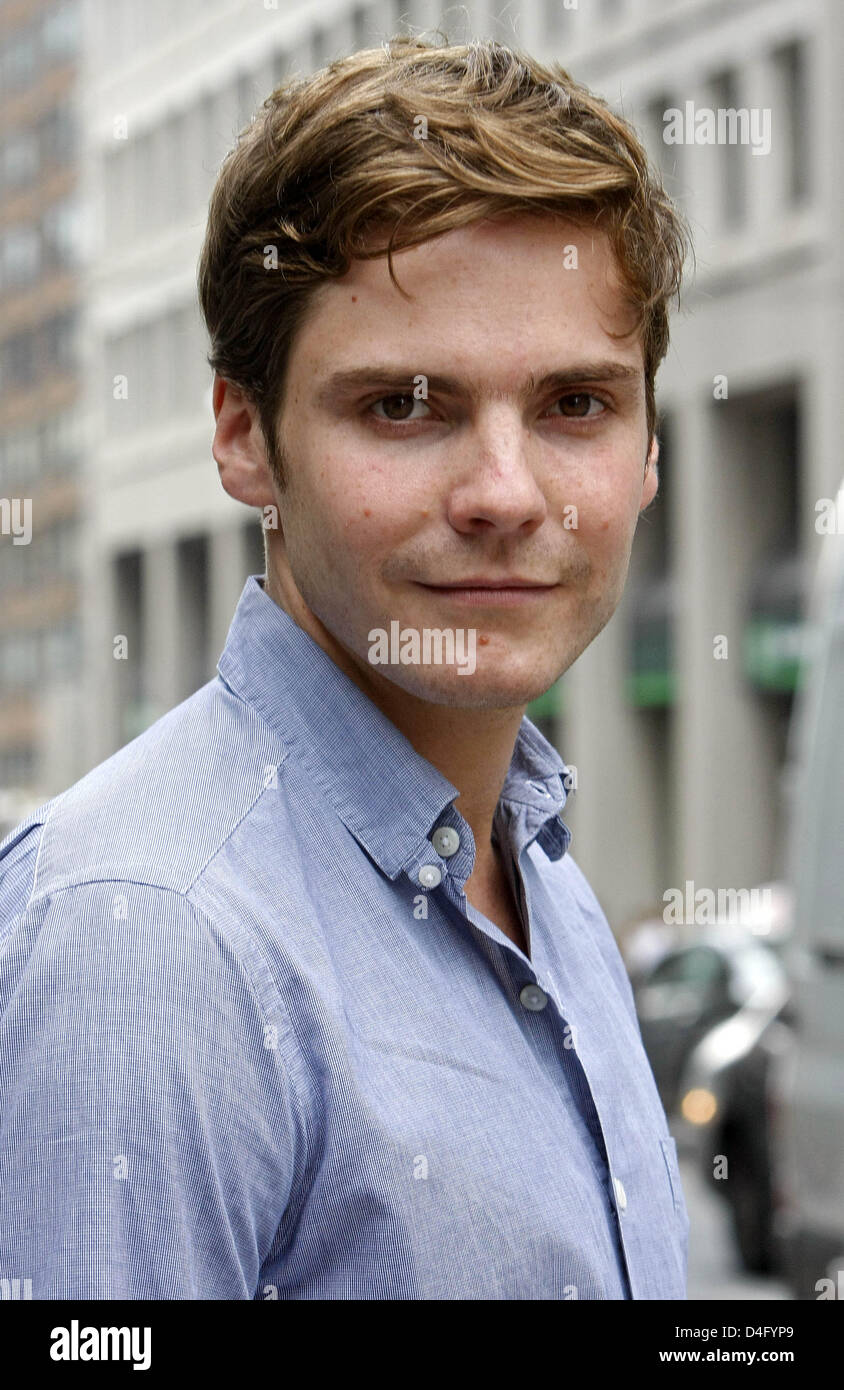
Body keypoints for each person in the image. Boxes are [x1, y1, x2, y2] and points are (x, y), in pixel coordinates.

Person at [0, 35, 692, 1299]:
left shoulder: (543, 883)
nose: (503, 493)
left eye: (574, 406)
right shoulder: (153, 942)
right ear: (243, 438)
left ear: (648, 446)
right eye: (402, 407)